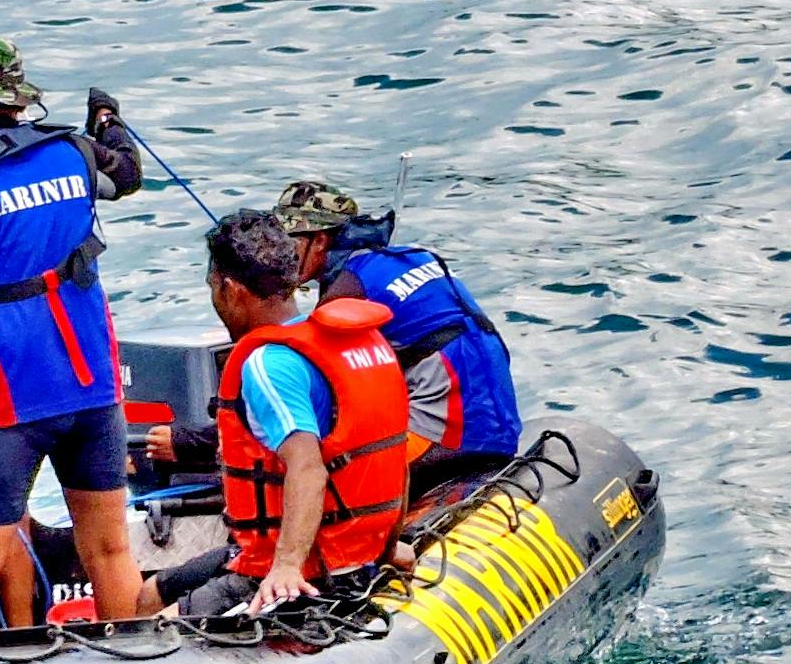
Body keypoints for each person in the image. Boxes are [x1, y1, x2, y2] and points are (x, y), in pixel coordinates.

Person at [0, 36, 146, 632]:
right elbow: (130, 173)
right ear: (17, 101)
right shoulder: (77, 151)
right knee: (110, 552)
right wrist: (108, 121)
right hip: (95, 391)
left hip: (8, 405)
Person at [141, 211, 411, 624]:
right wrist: (388, 548)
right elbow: (392, 458)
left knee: (156, 629)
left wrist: (285, 567)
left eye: (213, 288)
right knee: (150, 592)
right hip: (361, 553)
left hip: (306, 567)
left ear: (231, 290)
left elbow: (308, 468)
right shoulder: (361, 341)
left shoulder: (269, 364)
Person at [272, 179, 523, 497]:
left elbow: (311, 390)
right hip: (501, 431)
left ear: (320, 240)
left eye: (287, 242)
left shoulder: (346, 294)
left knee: (306, 477)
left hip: (451, 441)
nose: (279, 254)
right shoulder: (412, 257)